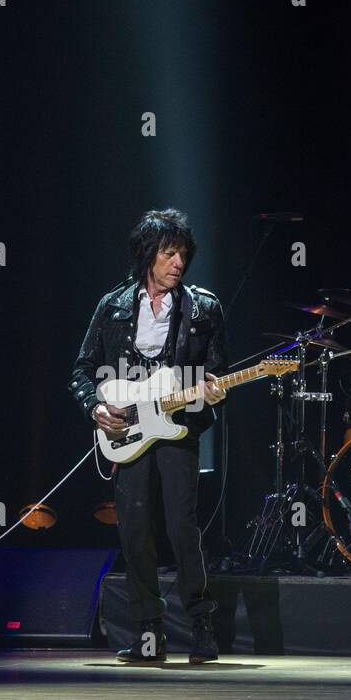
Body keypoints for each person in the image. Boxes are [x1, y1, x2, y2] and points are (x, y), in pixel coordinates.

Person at [69, 208, 228, 664]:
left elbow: (214, 372)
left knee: (182, 527)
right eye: (168, 253)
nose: (178, 263)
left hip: (178, 427)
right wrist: (96, 407)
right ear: (147, 256)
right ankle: (147, 633)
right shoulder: (113, 305)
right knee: (135, 529)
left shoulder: (205, 307)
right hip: (129, 432)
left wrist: (212, 393)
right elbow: (81, 370)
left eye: (182, 254)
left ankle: (201, 625)